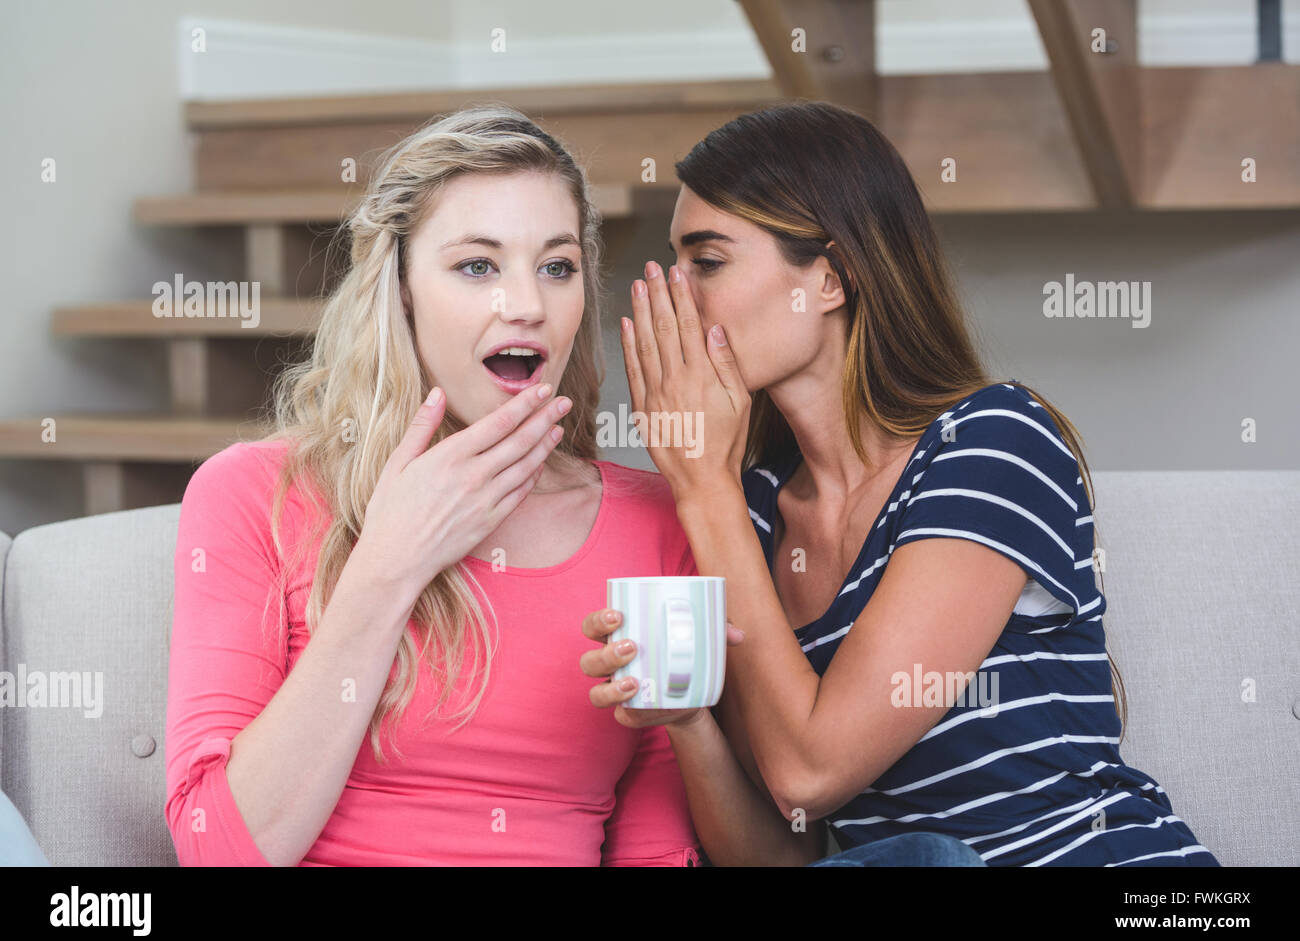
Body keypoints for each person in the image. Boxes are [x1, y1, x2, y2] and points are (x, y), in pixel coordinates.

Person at [581, 101, 1218, 867]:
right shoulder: (750, 514)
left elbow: (811, 771)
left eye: (708, 262)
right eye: (674, 263)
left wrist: (702, 487)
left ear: (831, 277)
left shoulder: (993, 443)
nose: (677, 298)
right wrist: (684, 720)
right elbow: (787, 846)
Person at [165, 105, 733, 866]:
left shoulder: (654, 520)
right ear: (399, 288)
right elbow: (219, 852)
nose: (527, 305)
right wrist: (390, 564)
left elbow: (654, 850)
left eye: (556, 266)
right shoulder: (252, 494)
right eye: (478, 266)